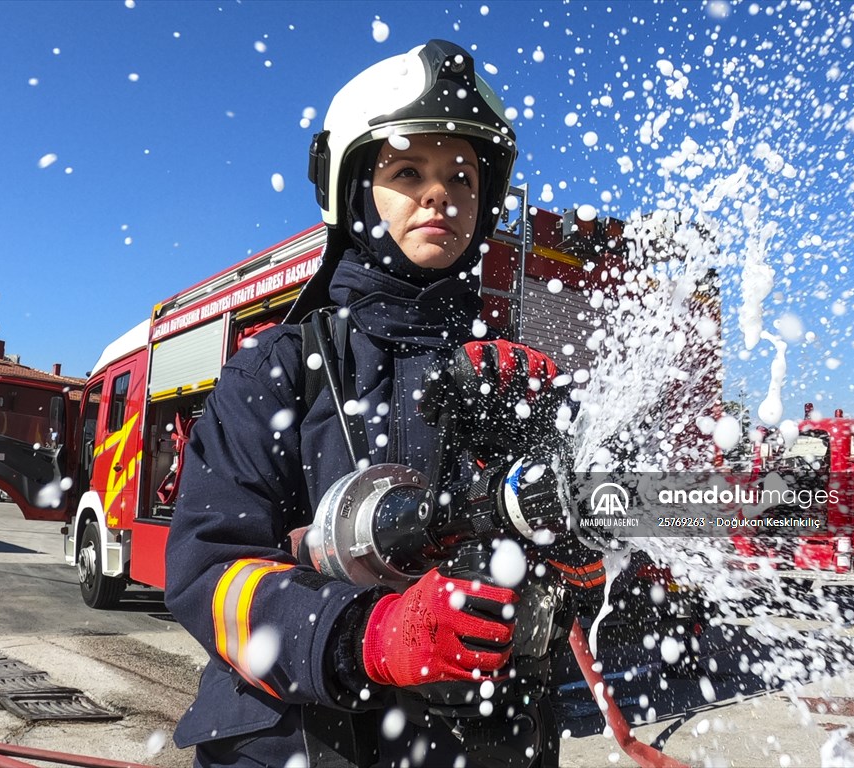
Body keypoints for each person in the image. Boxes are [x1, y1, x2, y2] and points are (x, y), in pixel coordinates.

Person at [165, 40, 588, 767]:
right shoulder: (278, 369)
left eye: (462, 175)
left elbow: (573, 577)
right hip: (301, 744)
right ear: (354, 189)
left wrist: (577, 552)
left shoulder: (509, 381)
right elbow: (211, 573)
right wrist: (367, 635)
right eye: (406, 172)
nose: (441, 194)